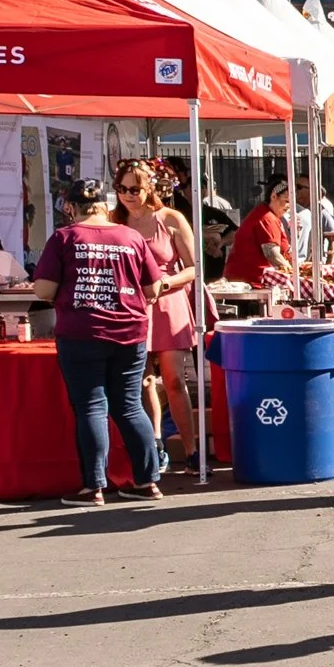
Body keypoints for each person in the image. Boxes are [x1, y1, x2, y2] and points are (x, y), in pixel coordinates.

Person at [31, 179, 165, 506]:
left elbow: (44, 290)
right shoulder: (131, 237)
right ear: (105, 205)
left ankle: (93, 487)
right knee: (130, 405)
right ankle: (148, 482)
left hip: (82, 332)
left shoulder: (64, 237)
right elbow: (153, 289)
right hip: (130, 332)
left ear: (70, 207)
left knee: (91, 406)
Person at [111, 159, 201, 473]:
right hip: (133, 305)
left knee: (175, 379)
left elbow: (194, 268)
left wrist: (167, 282)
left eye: (134, 189)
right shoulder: (115, 222)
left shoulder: (171, 218)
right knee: (143, 379)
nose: (127, 195)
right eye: (121, 189)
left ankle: (191, 449)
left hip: (169, 303)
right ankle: (156, 444)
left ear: (150, 188)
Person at [222, 177, 297, 286]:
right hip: (251, 281)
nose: (289, 206)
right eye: (286, 201)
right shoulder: (266, 217)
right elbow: (272, 254)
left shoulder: (267, 214)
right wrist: (293, 272)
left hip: (246, 279)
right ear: (274, 196)